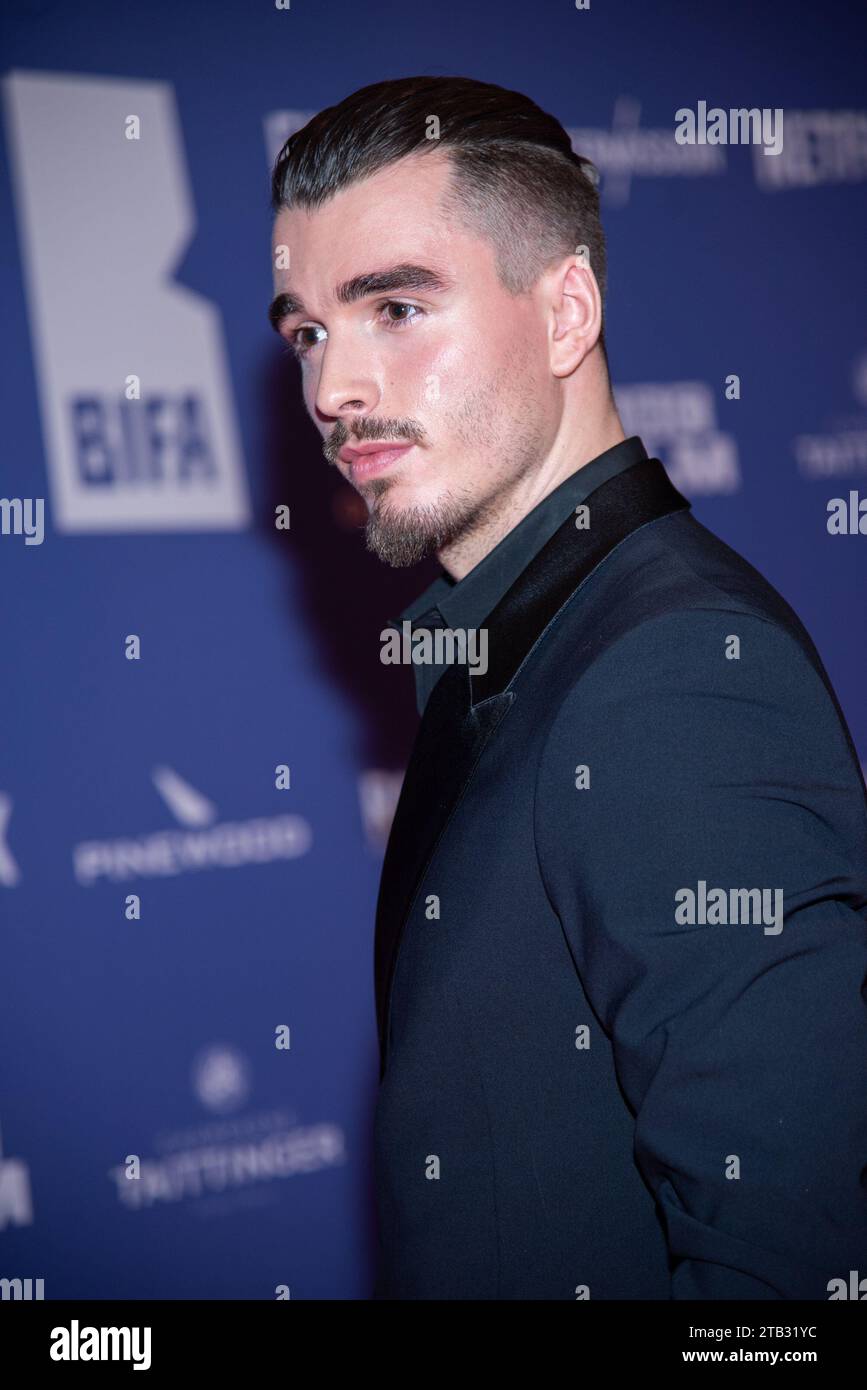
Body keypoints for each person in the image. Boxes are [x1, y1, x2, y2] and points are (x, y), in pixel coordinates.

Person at [268, 75, 867, 1300]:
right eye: (309, 331)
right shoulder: (522, 640)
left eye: (395, 306)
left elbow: (790, 1279)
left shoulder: (674, 675)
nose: (333, 389)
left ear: (566, 311)